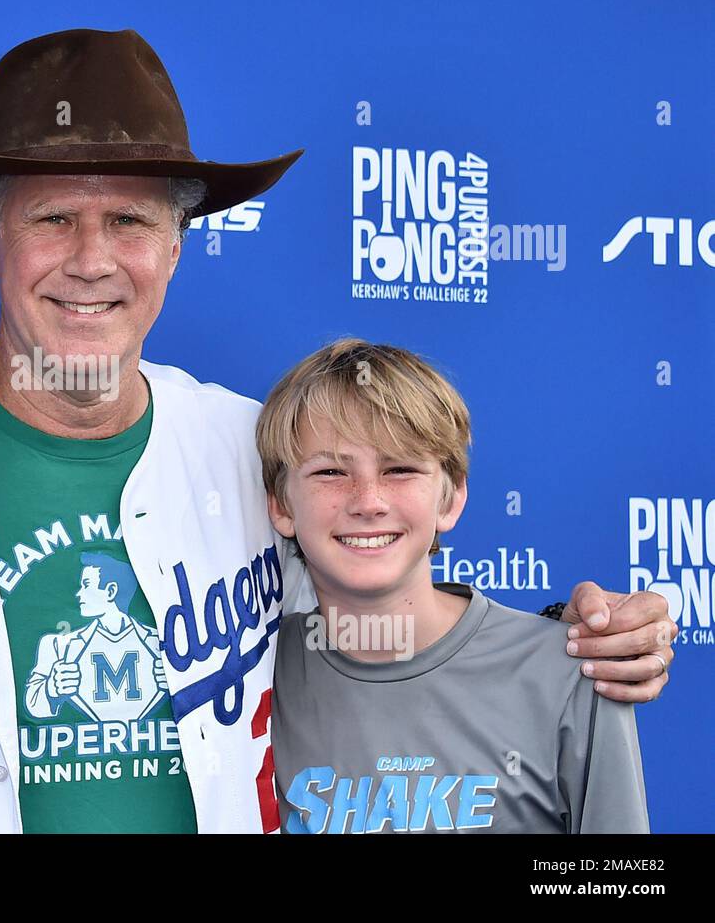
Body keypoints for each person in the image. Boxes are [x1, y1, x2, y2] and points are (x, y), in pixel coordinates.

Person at [0, 27, 674, 833]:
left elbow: (379, 615)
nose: (93, 259)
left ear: (176, 247)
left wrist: (577, 638)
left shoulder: (250, 445)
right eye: (54, 217)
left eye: (132, 221)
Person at [260, 339, 649, 833]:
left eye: (400, 469)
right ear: (281, 505)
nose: (368, 501)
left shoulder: (572, 672)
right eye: (330, 472)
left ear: (452, 497)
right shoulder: (250, 673)